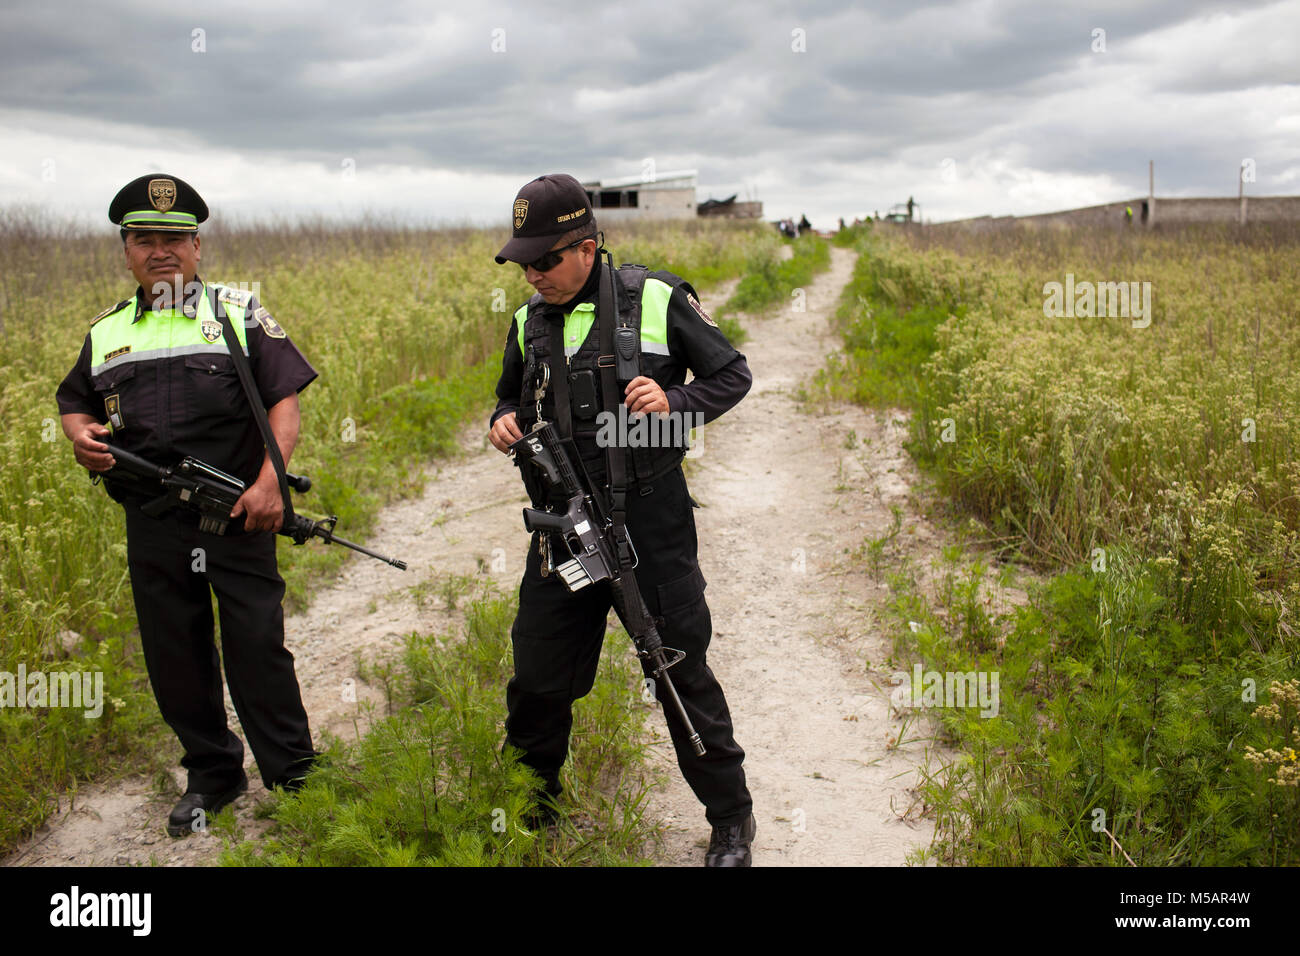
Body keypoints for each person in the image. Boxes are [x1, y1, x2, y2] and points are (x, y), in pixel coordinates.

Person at [487, 173, 757, 866]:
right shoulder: (526, 323)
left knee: (676, 665)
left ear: (588, 246)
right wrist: (503, 421)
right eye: (524, 263)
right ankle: (533, 806)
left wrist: (676, 403)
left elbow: (732, 375)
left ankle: (730, 819)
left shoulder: (656, 299)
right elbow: (504, 399)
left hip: (649, 522)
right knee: (539, 675)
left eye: (546, 260)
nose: (534, 275)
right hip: (564, 527)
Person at [55, 174, 319, 837]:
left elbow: (283, 398)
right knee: (174, 653)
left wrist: (271, 482)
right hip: (151, 522)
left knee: (257, 644)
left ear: (196, 246)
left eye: (173, 239)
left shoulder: (239, 311)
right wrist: (80, 435)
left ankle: (294, 772)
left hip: (237, 514)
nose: (160, 251)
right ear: (126, 250)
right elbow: (75, 402)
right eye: (145, 239)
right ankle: (213, 772)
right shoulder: (107, 331)